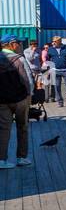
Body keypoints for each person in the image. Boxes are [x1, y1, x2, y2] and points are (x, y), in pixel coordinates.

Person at [0, 35, 34, 170]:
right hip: (20, 99)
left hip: (2, 101)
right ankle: (21, 158)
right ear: (12, 44)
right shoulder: (19, 59)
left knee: (3, 129)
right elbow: (28, 80)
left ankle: (1, 160)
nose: (20, 45)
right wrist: (30, 95)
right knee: (22, 127)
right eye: (18, 43)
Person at [45, 36, 66, 108]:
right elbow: (48, 60)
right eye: (53, 41)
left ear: (59, 41)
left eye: (55, 41)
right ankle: (60, 102)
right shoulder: (50, 49)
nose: (53, 43)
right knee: (57, 87)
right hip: (55, 71)